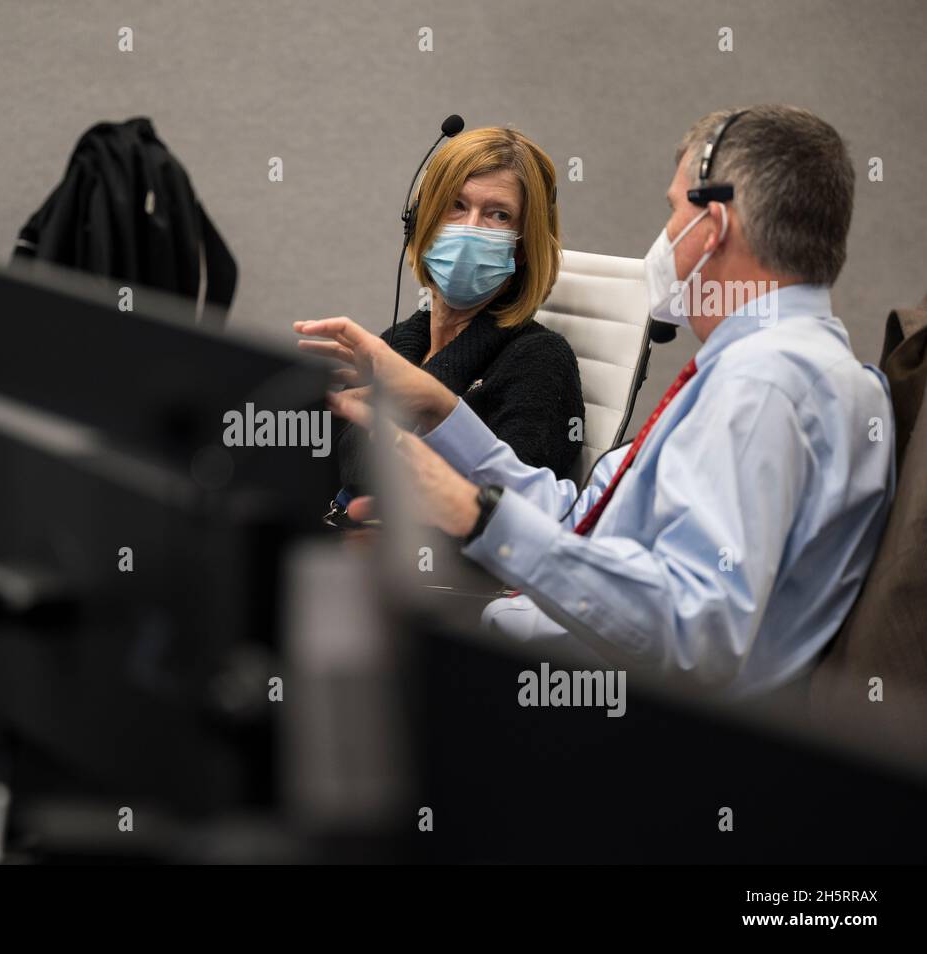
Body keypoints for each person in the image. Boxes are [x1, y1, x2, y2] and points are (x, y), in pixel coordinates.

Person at [296, 105, 895, 697]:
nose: (662, 241)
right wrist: (443, 414)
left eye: (670, 213)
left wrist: (480, 518)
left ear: (711, 228)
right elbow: (581, 517)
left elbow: (697, 635)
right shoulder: (787, 368)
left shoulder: (764, 388)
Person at [325, 127, 583, 526]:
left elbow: (514, 519)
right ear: (421, 221)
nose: (470, 229)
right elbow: (335, 467)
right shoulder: (394, 345)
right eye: (456, 206)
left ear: (523, 244)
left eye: (499, 215)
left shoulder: (540, 359)